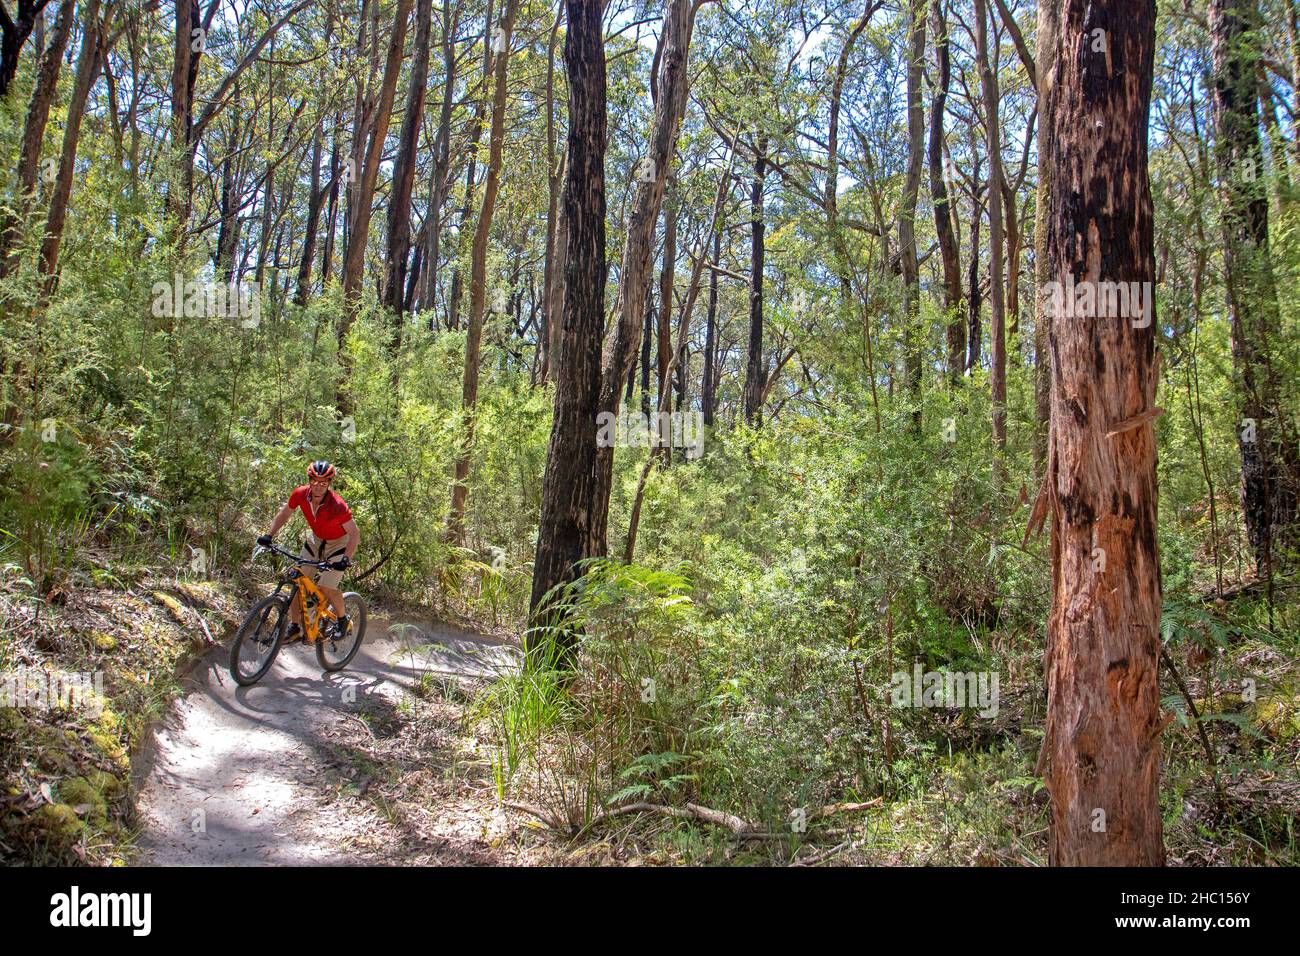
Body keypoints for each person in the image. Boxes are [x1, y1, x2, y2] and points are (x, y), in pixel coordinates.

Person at [258, 460, 359, 643]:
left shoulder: (337, 505)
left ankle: (343, 620)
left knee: (327, 587)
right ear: (309, 480)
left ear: (329, 483)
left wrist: (346, 558)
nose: (318, 486)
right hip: (315, 541)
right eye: (315, 481)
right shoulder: (300, 494)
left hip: (338, 544)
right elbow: (284, 514)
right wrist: (268, 535)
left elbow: (354, 534)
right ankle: (295, 627)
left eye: (323, 483)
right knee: (298, 583)